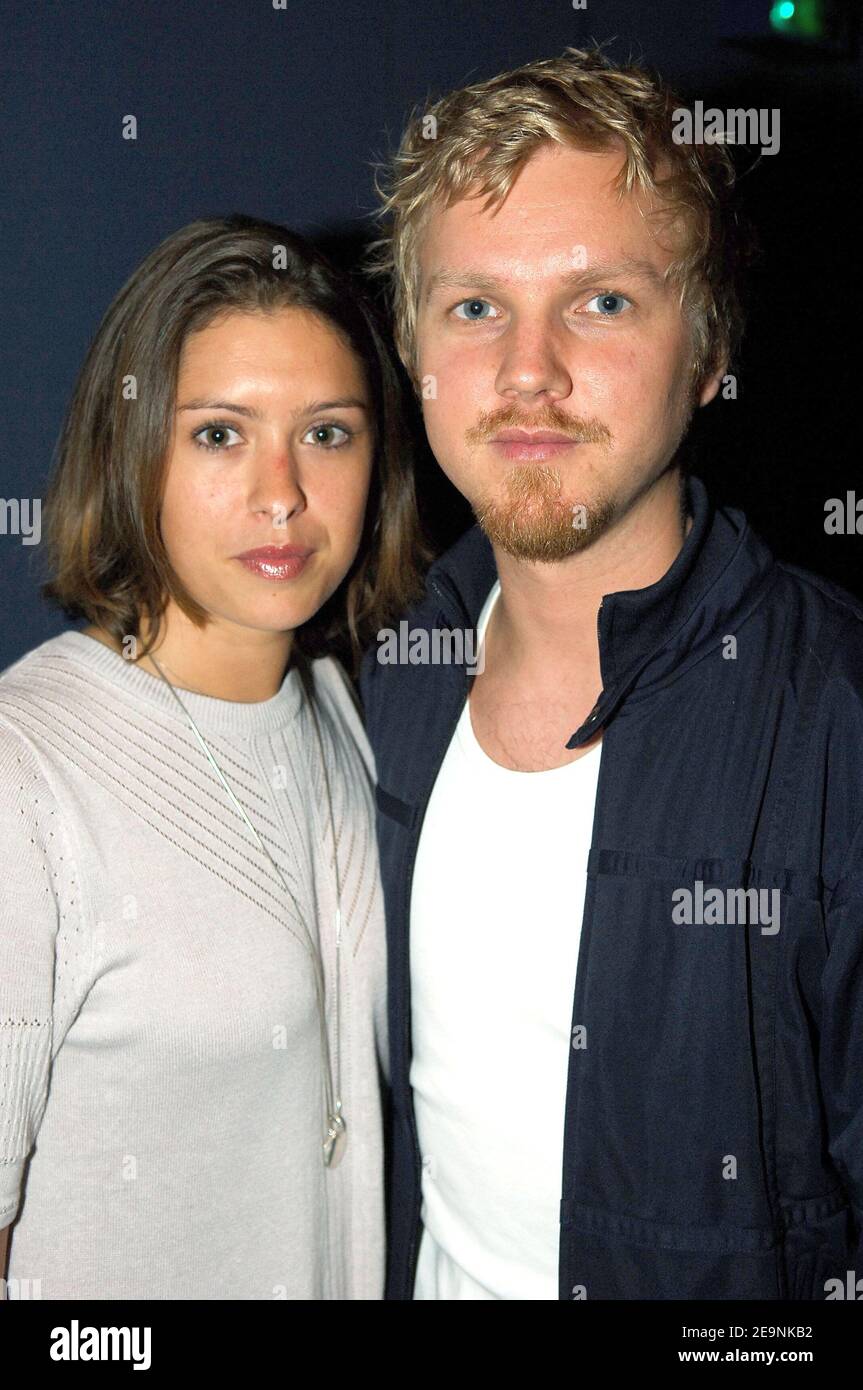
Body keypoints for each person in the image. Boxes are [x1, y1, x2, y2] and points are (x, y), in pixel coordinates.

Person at [359, 47, 863, 1300]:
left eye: (599, 302)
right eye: (473, 306)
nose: (527, 369)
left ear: (705, 352)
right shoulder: (373, 678)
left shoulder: (834, 721)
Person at [0, 214, 426, 1299]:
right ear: (130, 448)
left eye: (326, 433)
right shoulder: (25, 769)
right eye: (220, 434)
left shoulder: (344, 709)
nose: (280, 493)